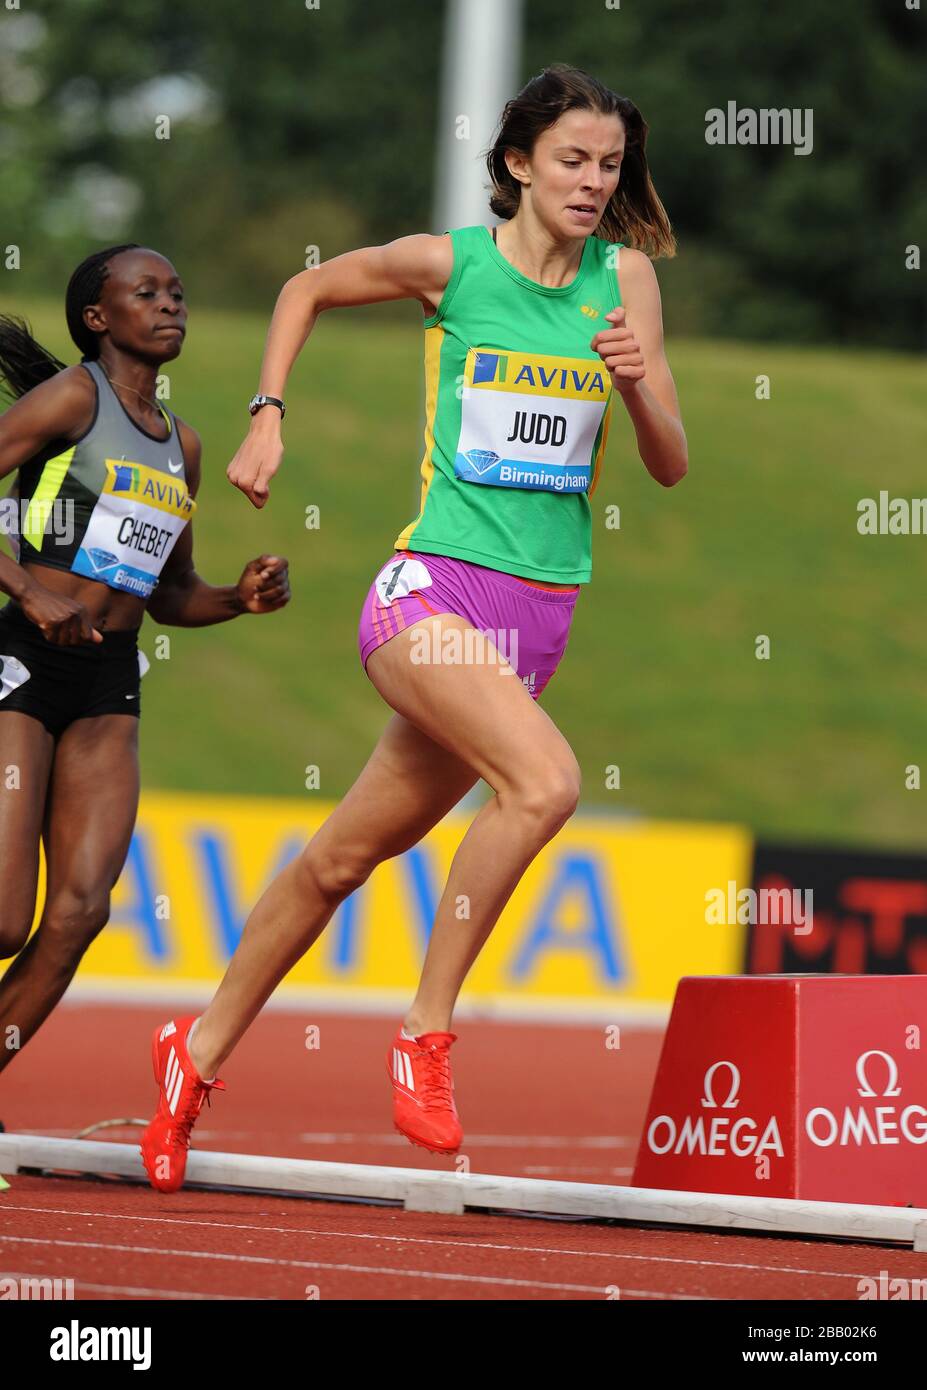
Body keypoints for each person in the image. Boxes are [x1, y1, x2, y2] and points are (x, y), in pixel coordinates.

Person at [141, 63, 687, 1193]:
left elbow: (671, 464)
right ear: (517, 164)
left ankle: (186, 1061)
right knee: (543, 784)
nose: (594, 184)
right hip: (429, 595)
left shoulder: (626, 281)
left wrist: (636, 386)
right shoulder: (451, 264)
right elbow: (305, 290)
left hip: (538, 622)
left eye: (611, 167)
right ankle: (425, 1033)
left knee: (339, 858)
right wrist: (267, 417)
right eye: (574, 162)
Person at [0, 244, 290, 1084]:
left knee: (80, 914)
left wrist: (239, 596)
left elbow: (172, 593)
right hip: (21, 663)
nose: (171, 305)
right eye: (147, 293)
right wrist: (29, 594)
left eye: (178, 292)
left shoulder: (184, 447)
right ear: (98, 318)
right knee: (7, 922)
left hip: (107, 683)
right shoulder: (70, 399)